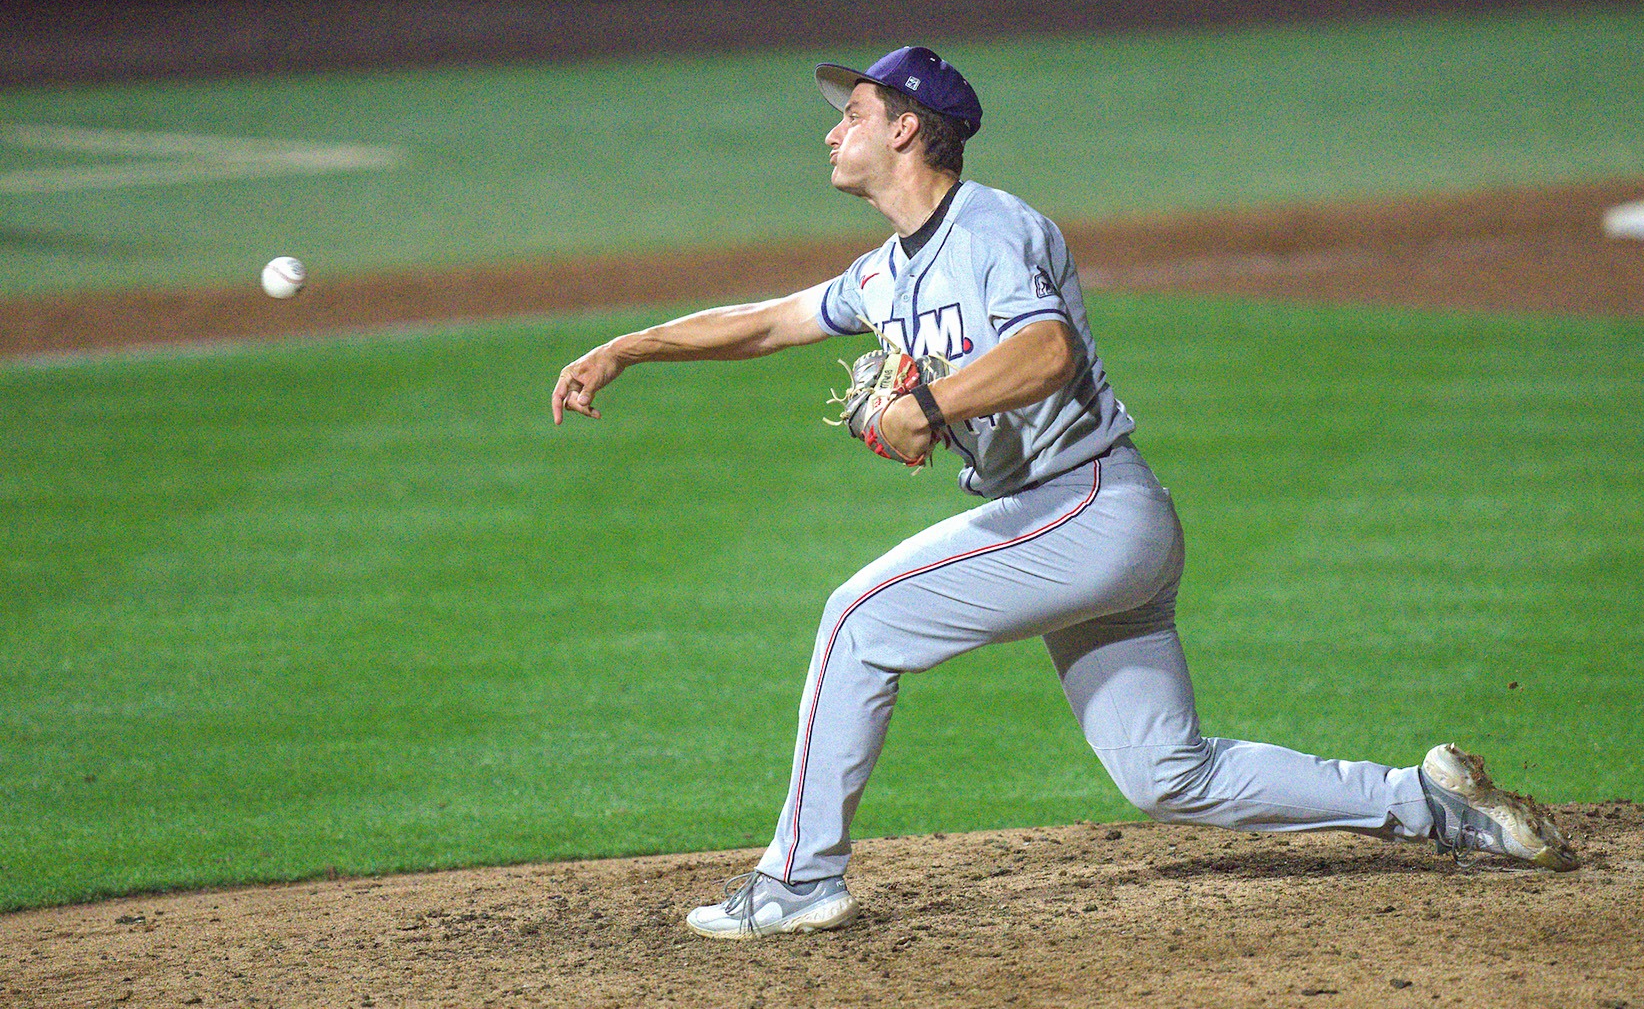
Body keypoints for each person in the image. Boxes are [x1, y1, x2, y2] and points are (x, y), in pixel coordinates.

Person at [550, 46, 1578, 940]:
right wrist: (630, 347)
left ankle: (798, 881)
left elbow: (1047, 351)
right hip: (1088, 524)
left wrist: (928, 406)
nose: (832, 133)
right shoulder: (887, 273)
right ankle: (1435, 806)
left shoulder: (990, 229)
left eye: (852, 113)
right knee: (1166, 775)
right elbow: (770, 320)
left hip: (1086, 507)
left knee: (858, 617)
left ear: (906, 128)